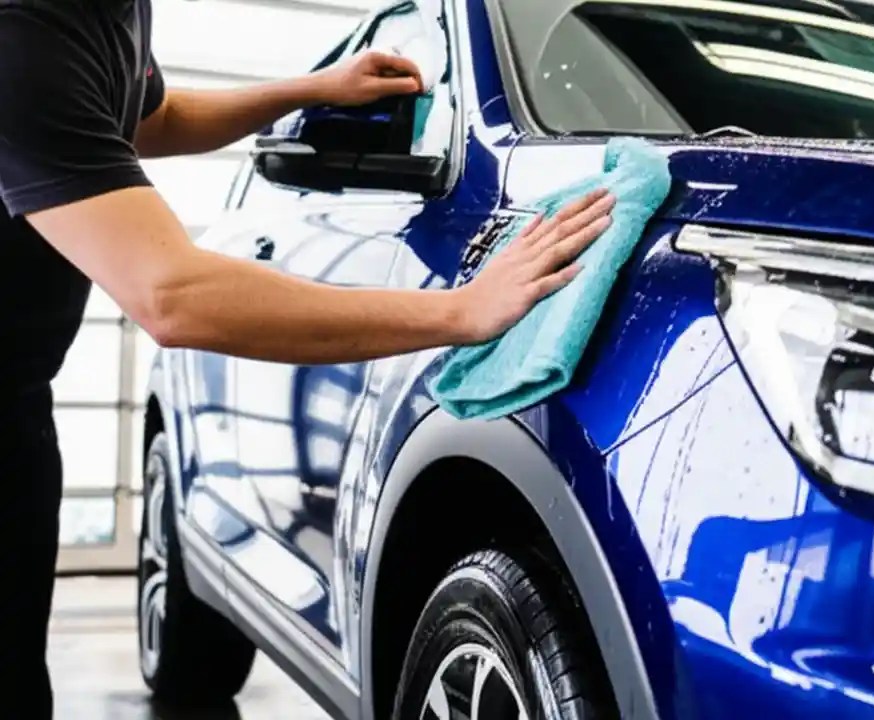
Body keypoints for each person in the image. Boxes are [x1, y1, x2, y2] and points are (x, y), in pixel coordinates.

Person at [0, 0, 615, 715]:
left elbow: (148, 119)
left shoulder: (110, 13)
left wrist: (311, 90)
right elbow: (172, 294)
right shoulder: (23, 29)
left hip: (19, 398)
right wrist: (459, 311)